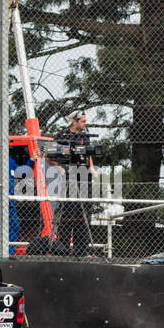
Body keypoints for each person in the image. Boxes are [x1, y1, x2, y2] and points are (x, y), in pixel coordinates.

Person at [54, 110, 96, 256]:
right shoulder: (62, 136)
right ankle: (63, 248)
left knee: (84, 211)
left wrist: (92, 169)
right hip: (68, 176)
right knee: (67, 211)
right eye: (83, 121)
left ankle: (82, 250)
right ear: (75, 121)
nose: (85, 124)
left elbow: (88, 154)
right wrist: (59, 168)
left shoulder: (85, 136)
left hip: (84, 177)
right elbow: (49, 154)